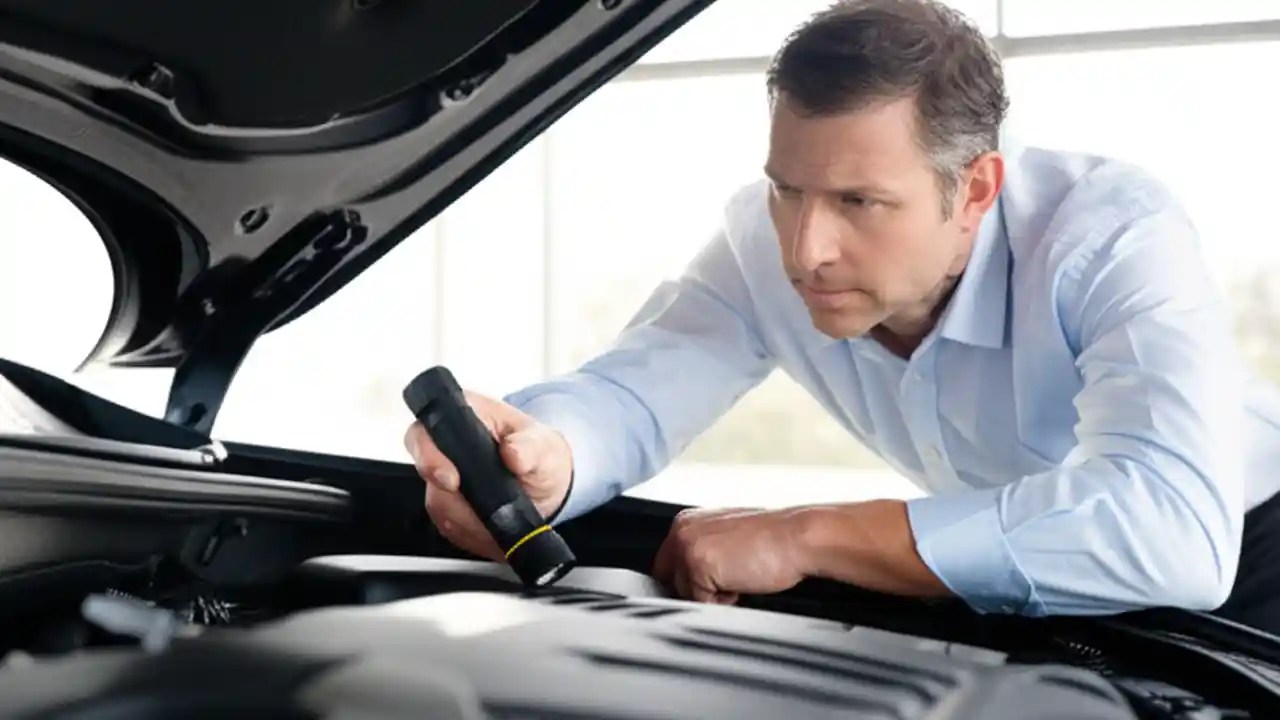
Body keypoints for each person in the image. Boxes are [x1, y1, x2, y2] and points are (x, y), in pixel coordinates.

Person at [404, 0, 1280, 634]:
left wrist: (808, 532)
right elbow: (636, 391)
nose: (806, 250)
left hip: (1255, 560)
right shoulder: (765, 240)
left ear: (975, 190)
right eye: (789, 189)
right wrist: (545, 458)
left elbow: (1170, 534)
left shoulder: (1109, 233)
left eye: (860, 200)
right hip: (1018, 584)